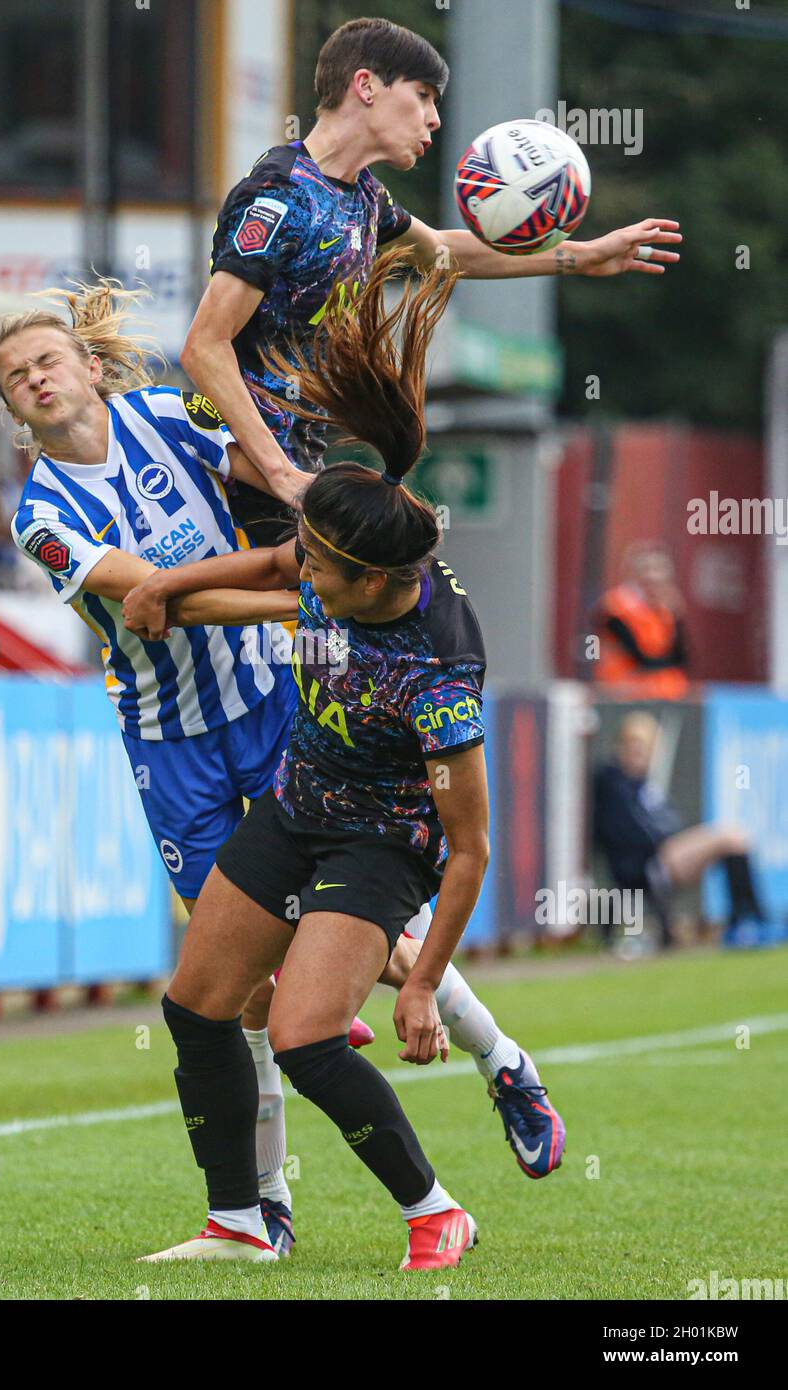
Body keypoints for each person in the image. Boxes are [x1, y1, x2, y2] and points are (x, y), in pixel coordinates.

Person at [133, 251, 564, 1272]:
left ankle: (433, 1210)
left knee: (305, 1034)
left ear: (374, 582)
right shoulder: (339, 547)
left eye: (327, 570)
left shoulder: (440, 674)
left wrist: (418, 991)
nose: (307, 573)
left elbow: (470, 852)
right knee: (193, 1006)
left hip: (385, 842)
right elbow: (284, 562)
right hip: (295, 802)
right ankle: (242, 1222)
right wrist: (170, 583)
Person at [183, 15, 682, 538]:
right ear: (366, 86)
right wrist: (281, 474)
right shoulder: (280, 194)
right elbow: (205, 345)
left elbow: (442, 251)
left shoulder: (364, 197)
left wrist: (581, 256)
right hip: (239, 480)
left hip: (297, 472)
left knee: (407, 603)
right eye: (423, 95)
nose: (434, 119)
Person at [593, 713, 781, 949]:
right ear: (621, 747)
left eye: (645, 749)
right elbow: (632, 834)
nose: (640, 756)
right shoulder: (613, 783)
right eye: (634, 748)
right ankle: (747, 923)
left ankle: (746, 919)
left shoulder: (646, 788)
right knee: (729, 837)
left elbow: (668, 821)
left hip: (667, 854)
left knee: (735, 837)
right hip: (646, 864)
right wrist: (666, 839)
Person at [592, 542, 690, 698]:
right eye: (648, 569)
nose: (655, 576)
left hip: (666, 694)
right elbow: (641, 659)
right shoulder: (615, 607)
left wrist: (676, 618)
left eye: (660, 569)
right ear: (633, 572)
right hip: (624, 694)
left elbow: (682, 657)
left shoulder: (666, 609)